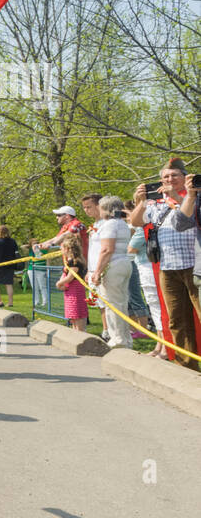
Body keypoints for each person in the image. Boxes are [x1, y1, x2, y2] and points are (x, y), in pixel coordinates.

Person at [129, 158, 199, 370]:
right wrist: (141, 201)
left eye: (174, 175)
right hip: (168, 267)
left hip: (195, 265)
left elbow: (188, 218)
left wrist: (176, 196)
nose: (169, 180)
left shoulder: (194, 195)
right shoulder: (155, 202)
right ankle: (186, 364)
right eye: (165, 177)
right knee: (177, 319)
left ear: (185, 177)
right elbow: (135, 222)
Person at [89, 195, 134, 349]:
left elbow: (107, 249)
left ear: (106, 209)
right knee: (121, 303)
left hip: (113, 265)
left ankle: (118, 340)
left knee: (112, 304)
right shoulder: (122, 224)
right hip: (124, 263)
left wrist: (97, 271)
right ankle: (125, 338)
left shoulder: (110, 225)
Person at [127, 225, 165, 357]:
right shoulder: (142, 228)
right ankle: (160, 344)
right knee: (154, 308)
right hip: (147, 267)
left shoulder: (143, 228)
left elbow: (131, 248)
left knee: (157, 307)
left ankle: (165, 347)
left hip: (149, 268)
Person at [55, 234, 89, 332]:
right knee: (73, 316)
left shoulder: (75, 262)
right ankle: (75, 332)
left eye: (62, 249)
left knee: (77, 314)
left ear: (68, 249)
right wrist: (62, 284)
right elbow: (65, 273)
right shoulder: (69, 261)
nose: (61, 251)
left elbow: (70, 277)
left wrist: (59, 283)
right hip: (70, 290)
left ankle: (80, 333)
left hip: (75, 291)